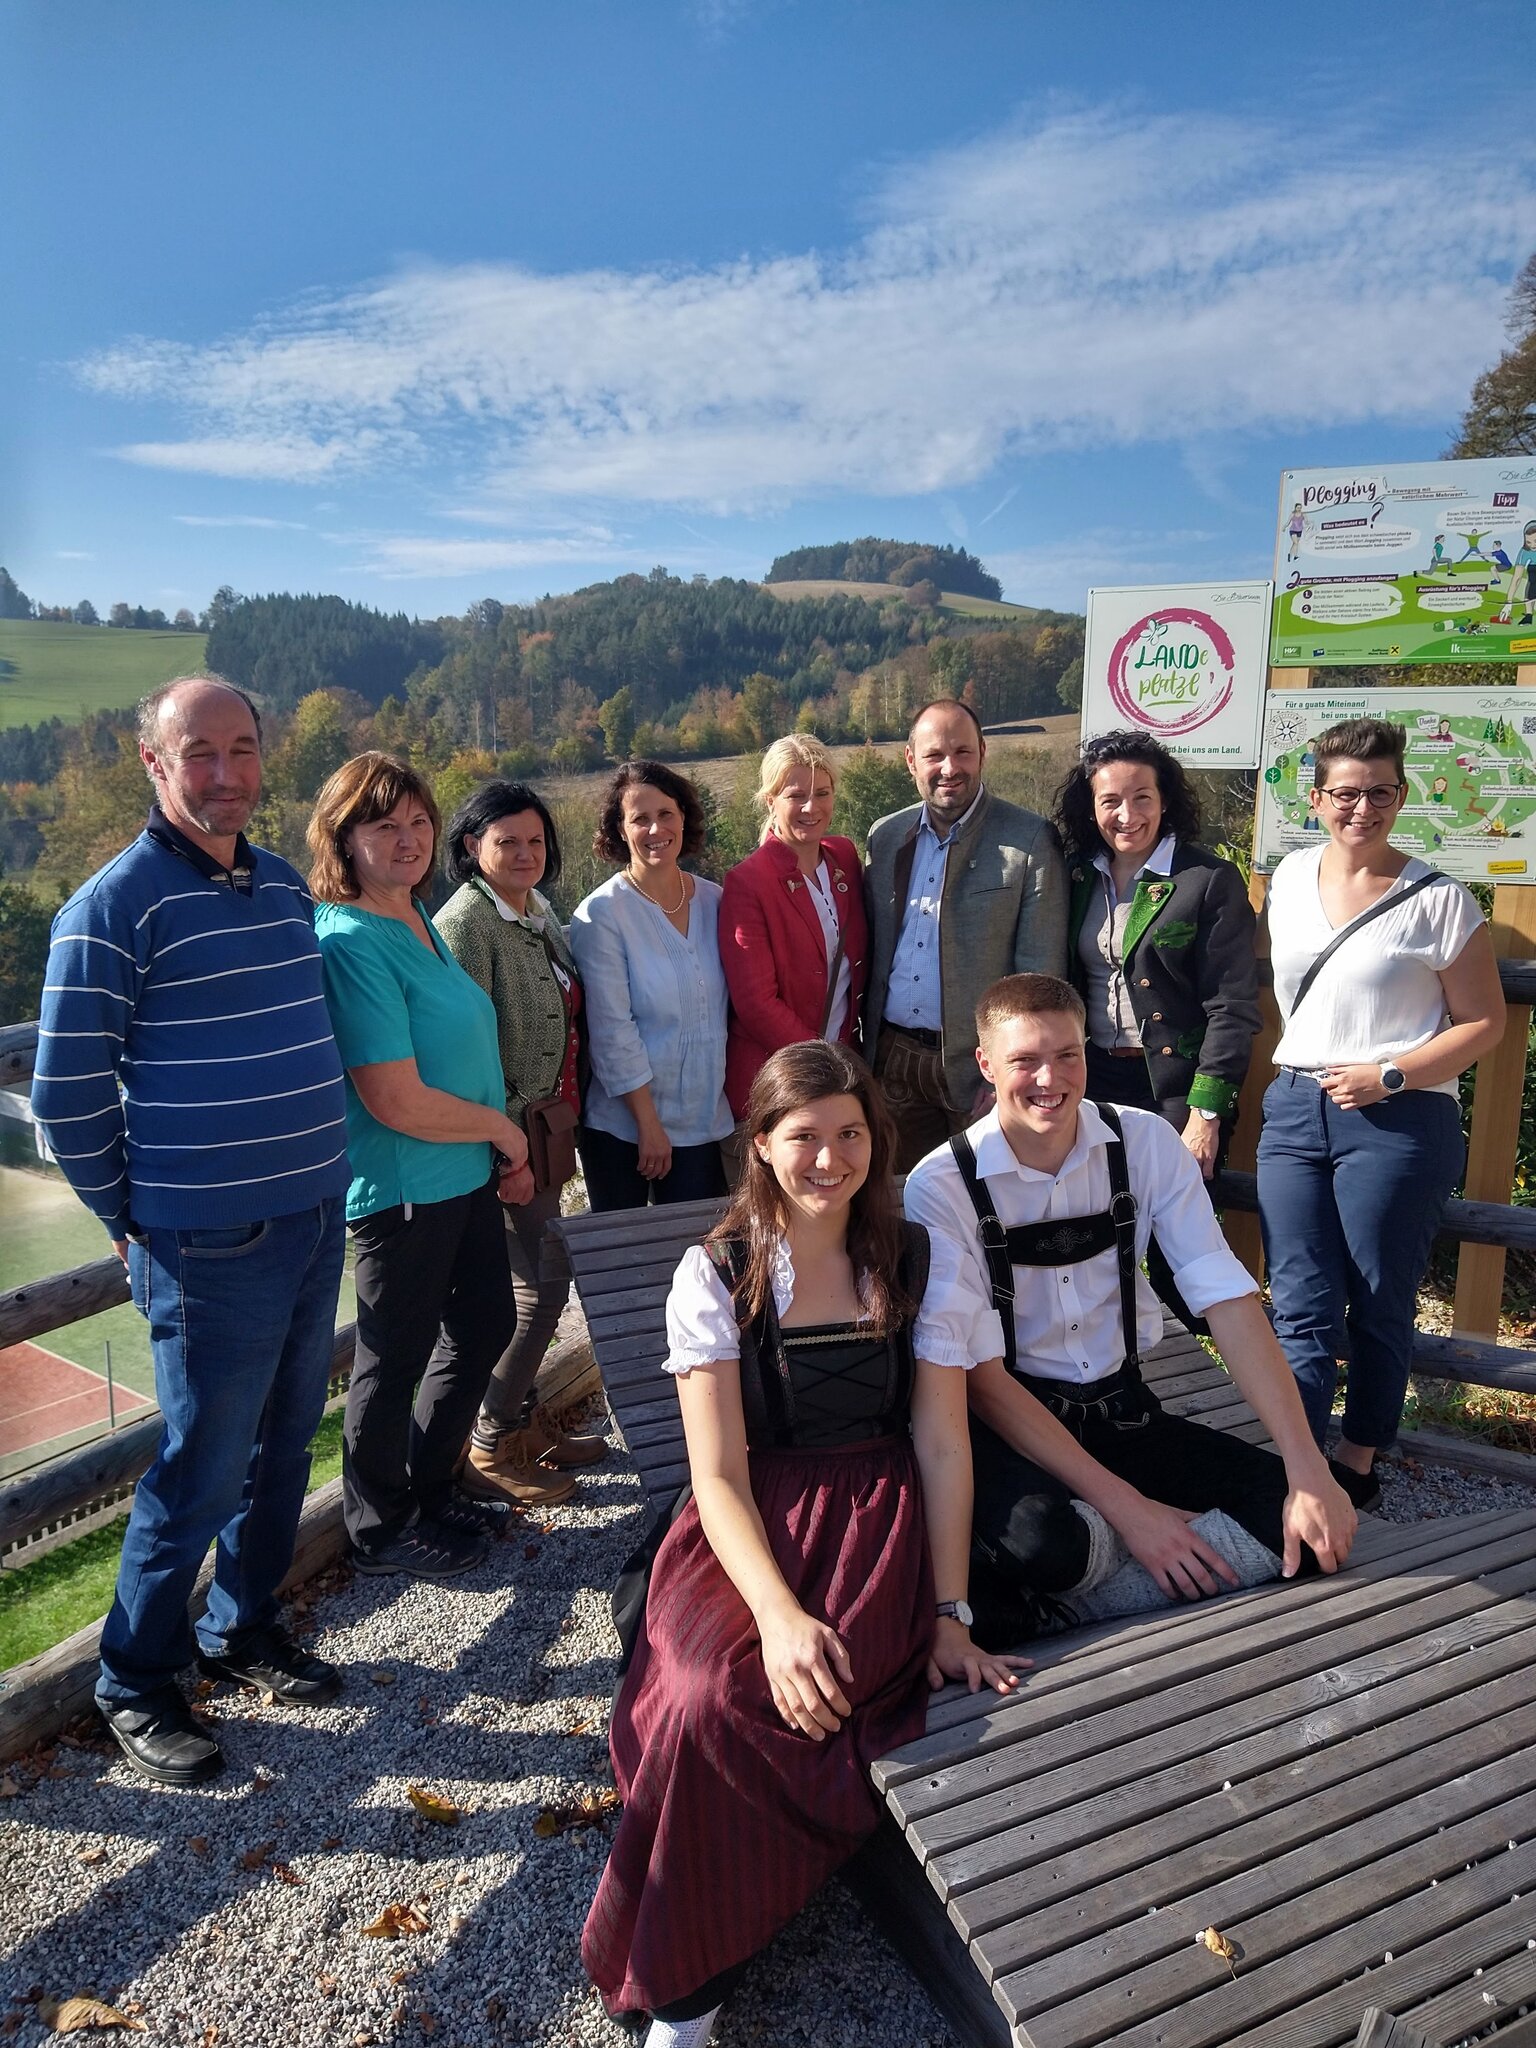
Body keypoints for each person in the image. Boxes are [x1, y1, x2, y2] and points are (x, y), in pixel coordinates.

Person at [581, 1041, 1026, 2046]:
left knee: (818, 1690)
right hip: (745, 1525)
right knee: (705, 1692)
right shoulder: (717, 1274)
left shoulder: (918, 1258)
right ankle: (687, 1991)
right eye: (805, 1136)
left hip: (878, 1519)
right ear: (763, 1146)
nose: (830, 1156)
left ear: (877, 1137)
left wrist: (948, 1614)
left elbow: (944, 1440)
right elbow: (718, 1475)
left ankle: (696, 1975)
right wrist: (777, 1612)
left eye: (850, 1133)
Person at [31, 676, 351, 1786]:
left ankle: (242, 1625)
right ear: (153, 764)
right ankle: (135, 1677)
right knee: (201, 1468)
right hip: (206, 1242)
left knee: (283, 1445)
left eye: (242, 748)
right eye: (198, 752)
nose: (225, 773)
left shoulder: (277, 885)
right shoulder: (110, 908)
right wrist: (136, 1215)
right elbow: (66, 1101)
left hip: (313, 1216)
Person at [902, 973, 1358, 1648]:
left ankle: (1051, 1608)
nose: (1048, 1079)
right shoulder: (941, 1184)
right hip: (1012, 1427)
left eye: (1067, 1054)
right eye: (1024, 1060)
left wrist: (1306, 1465)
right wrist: (1134, 1512)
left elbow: (1226, 1298)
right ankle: (1122, 1552)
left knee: (1307, 1525)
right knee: (1041, 1545)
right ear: (987, 1065)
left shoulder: (1142, 1142)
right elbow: (980, 1377)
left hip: (1125, 1414)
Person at [1257, 718, 1505, 1510]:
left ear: (1402, 796)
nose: (1362, 809)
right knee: (1297, 1299)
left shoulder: (1438, 900)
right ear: (1317, 796)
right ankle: (1297, 1464)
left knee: (1377, 1297)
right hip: (1295, 1107)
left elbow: (1484, 1023)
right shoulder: (1291, 877)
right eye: (1345, 793)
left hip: (1397, 1120)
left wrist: (1389, 1074)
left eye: (1380, 793)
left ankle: (1358, 1460)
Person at [310, 752, 536, 1579]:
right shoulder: (350, 940)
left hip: (460, 1173)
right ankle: (378, 1527)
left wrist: (488, 1142)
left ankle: (432, 1485)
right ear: (344, 837)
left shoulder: (415, 919)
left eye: (417, 822)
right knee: (393, 1356)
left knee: (483, 1323)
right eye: (383, 825)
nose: (407, 839)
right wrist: (503, 1133)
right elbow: (394, 1099)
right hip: (403, 1184)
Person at [435, 780, 606, 1510]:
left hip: (545, 1130)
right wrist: (508, 1148)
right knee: (539, 1288)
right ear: (473, 848)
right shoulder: (467, 923)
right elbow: (462, 1048)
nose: (526, 853)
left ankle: (523, 1422)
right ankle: (490, 1439)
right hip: (505, 1138)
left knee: (541, 1282)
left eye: (536, 840)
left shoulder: (535, 912)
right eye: (508, 841)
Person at [864, 697, 1068, 1175]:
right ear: (911, 761)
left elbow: (1040, 976)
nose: (949, 768)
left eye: (962, 752)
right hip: (894, 1063)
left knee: (987, 1205)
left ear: (982, 751)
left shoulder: (1030, 839)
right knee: (897, 1206)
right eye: (934, 755)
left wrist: (1007, 1074)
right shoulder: (885, 836)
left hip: (979, 1071)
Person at [1054, 729, 1260, 1179]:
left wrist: (1206, 1115)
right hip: (1092, 1084)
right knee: (1102, 1235)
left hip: (1178, 1090)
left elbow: (1232, 1007)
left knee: (1176, 1240)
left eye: (1142, 797)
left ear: (1164, 800)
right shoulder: (1076, 876)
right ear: (1091, 808)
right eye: (1110, 801)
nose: (1127, 815)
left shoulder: (1206, 879)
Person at [569, 761, 731, 1212]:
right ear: (620, 830)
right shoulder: (602, 914)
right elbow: (612, 1030)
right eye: (640, 818)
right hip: (626, 1130)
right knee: (628, 1268)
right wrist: (649, 1126)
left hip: (702, 1122)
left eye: (666, 814)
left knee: (701, 1266)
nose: (655, 828)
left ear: (684, 818)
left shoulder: (716, 901)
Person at [720, 734, 868, 1116]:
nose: (810, 807)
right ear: (771, 800)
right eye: (795, 795)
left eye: (822, 793)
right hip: (778, 1079)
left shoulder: (844, 857)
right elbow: (756, 1004)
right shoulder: (748, 882)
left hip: (841, 1073)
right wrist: (824, 1066)